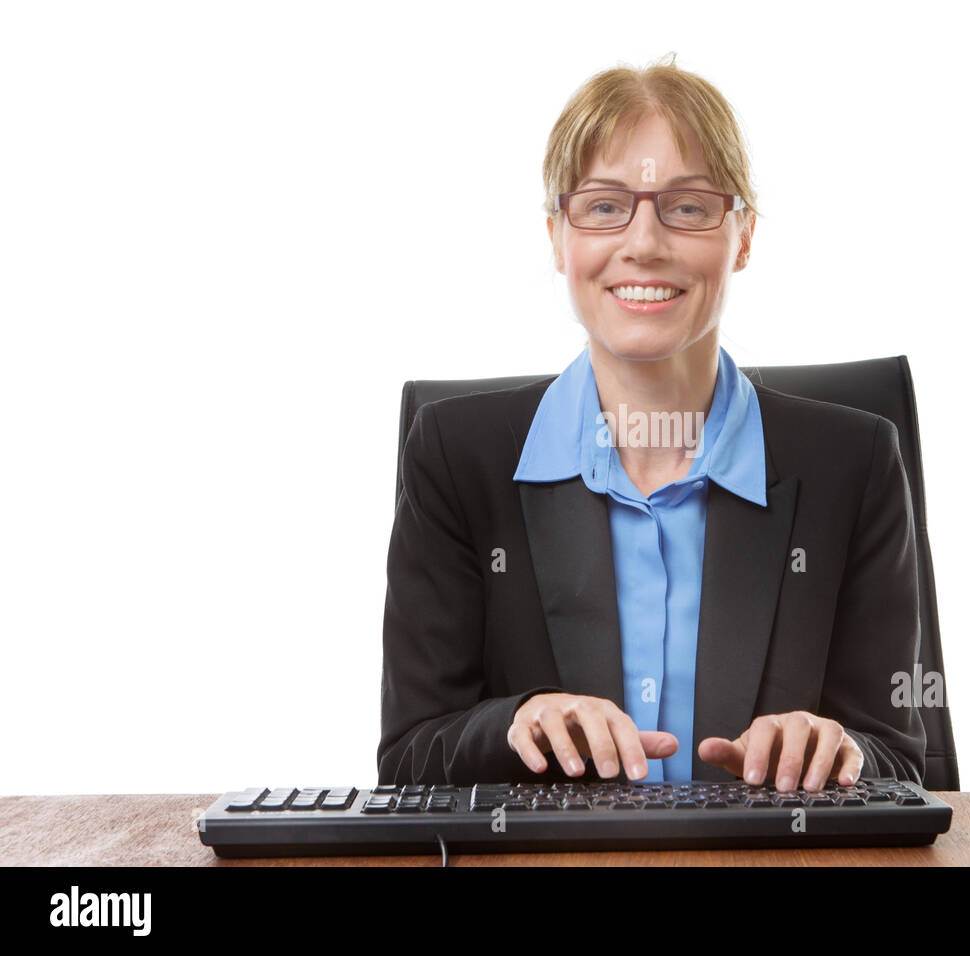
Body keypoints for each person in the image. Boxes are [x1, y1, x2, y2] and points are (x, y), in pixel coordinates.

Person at [378, 56, 926, 791]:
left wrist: (836, 748)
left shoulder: (853, 464)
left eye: (689, 206)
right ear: (557, 238)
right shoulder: (456, 458)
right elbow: (409, 759)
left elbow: (902, 760)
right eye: (604, 207)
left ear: (744, 236)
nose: (644, 242)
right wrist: (517, 721)